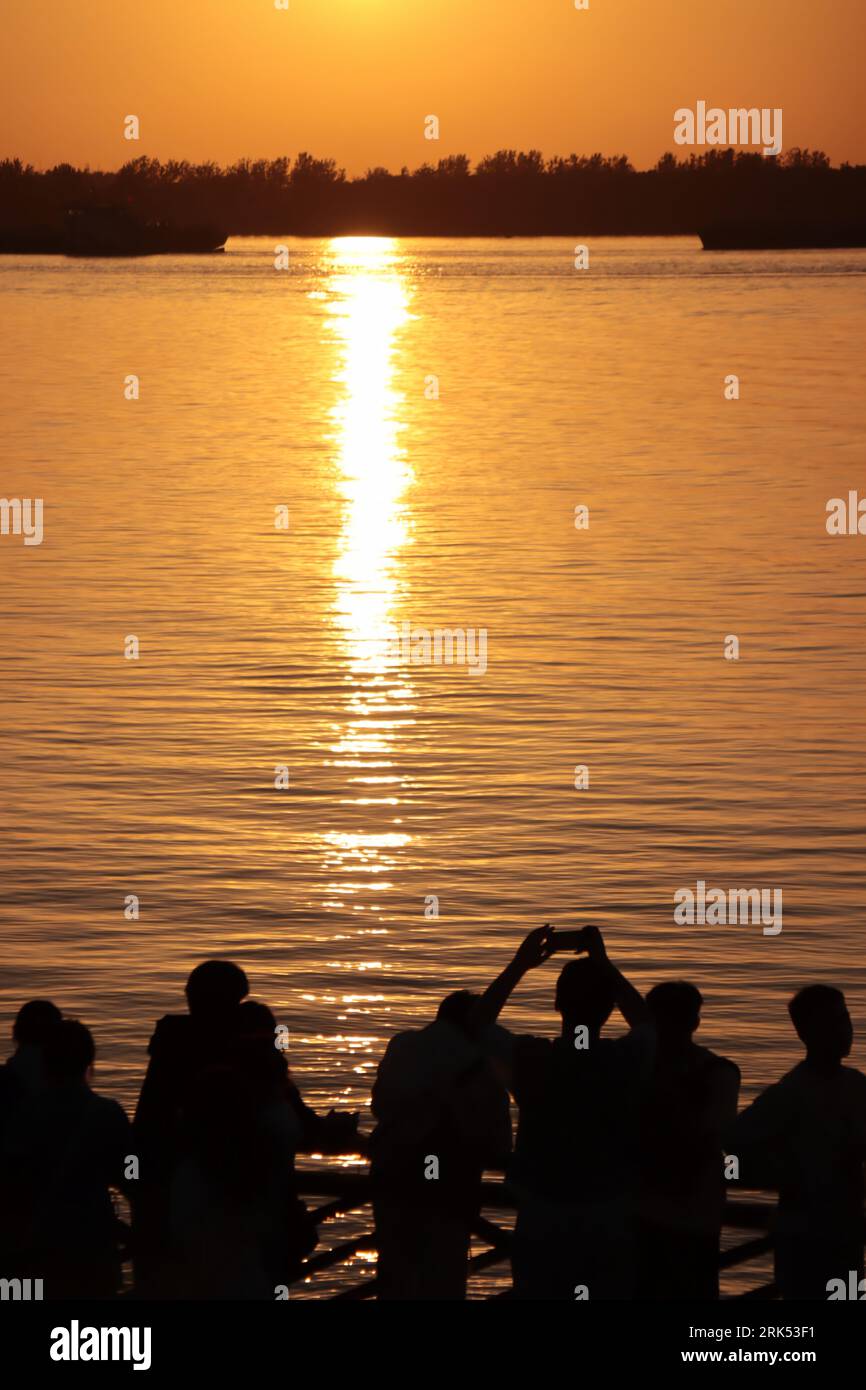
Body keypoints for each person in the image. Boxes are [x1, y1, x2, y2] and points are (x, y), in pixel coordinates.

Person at [474, 924, 655, 1299]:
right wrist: (603, 963)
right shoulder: (625, 1061)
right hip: (610, 1211)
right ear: (610, 1008)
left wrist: (520, 964)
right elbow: (650, 1027)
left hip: (543, 1212)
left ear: (556, 1004)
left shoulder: (532, 1061)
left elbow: (476, 1024)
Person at [370, 990, 512, 1299]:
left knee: (396, 1278)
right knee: (442, 1281)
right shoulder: (482, 1067)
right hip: (449, 1190)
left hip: (392, 1182)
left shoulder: (402, 1046)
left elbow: (379, 1106)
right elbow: (499, 1144)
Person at [734, 984, 866, 1300]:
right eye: (833, 1022)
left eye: (845, 1019)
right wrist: (789, 1172)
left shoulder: (856, 1084)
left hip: (846, 1228)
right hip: (805, 1231)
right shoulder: (790, 1093)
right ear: (806, 1032)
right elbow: (736, 1140)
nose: (844, 1030)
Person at [133, 960, 249, 1294]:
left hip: (160, 1185)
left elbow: (148, 1114)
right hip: (209, 1192)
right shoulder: (231, 1048)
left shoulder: (171, 1041)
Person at [1, 1019, 132, 1298]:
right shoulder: (109, 1114)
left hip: (32, 1250)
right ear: (89, 1060)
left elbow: (12, 1179)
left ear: (45, 1062)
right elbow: (131, 1173)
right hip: (91, 1248)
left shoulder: (21, 1115)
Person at [637, 981, 740, 1299]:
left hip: (639, 1213)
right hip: (695, 1215)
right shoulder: (719, 1073)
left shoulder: (632, 1070)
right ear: (696, 1022)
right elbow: (721, 1135)